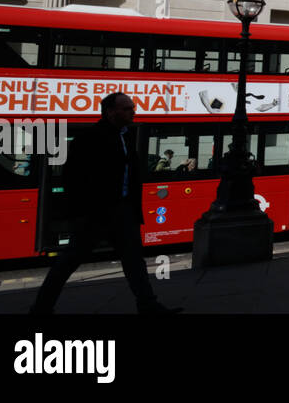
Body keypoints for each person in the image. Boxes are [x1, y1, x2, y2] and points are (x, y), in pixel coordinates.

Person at [31, 93, 179, 315]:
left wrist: (131, 208)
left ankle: (148, 304)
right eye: (127, 109)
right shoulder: (90, 137)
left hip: (123, 211)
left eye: (132, 108)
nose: (133, 112)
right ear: (111, 112)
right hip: (96, 213)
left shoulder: (126, 136)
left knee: (134, 262)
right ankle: (41, 308)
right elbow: (72, 177)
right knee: (68, 262)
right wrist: (83, 211)